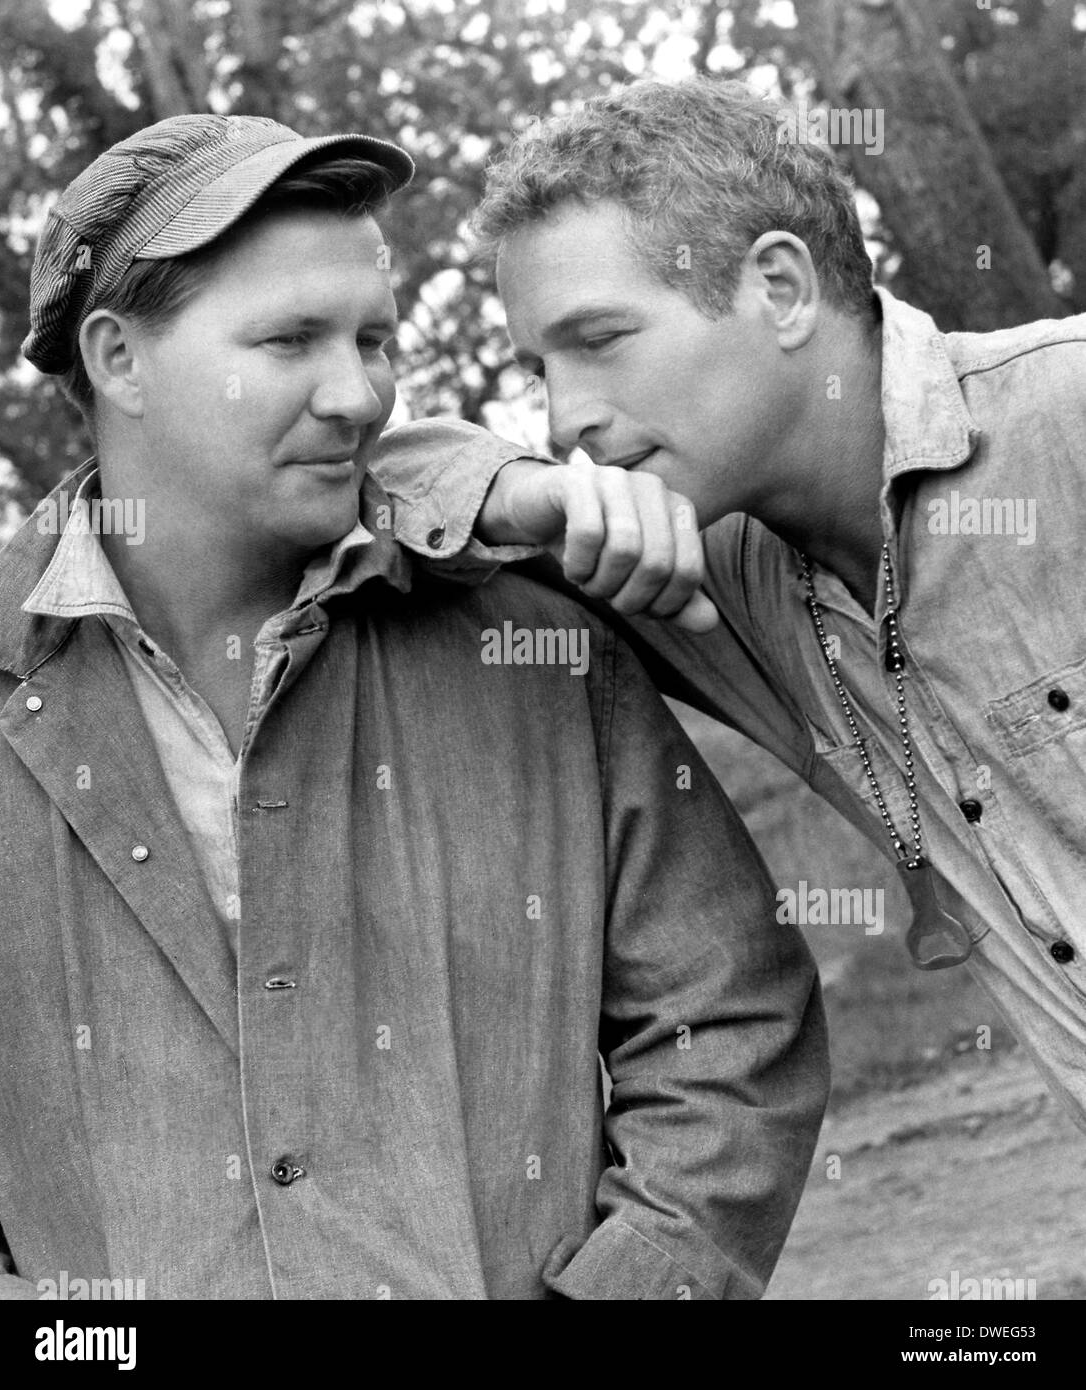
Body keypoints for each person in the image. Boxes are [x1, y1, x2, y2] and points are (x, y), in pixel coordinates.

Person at [0, 112, 827, 1300]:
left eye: (376, 339)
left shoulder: (534, 642)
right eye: (290, 341)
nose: (358, 394)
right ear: (119, 359)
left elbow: (731, 1026)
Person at [370, 76, 1086, 1126]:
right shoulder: (697, 571)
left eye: (602, 339)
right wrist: (531, 490)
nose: (568, 415)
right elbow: (376, 481)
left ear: (783, 289)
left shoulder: (1066, 420)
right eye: (540, 367)